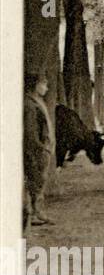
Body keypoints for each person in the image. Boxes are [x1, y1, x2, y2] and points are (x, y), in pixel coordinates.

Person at [23, 73, 55, 228]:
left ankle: (37, 211)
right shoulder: (30, 105)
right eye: (44, 84)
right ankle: (34, 213)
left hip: (43, 148)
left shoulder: (36, 102)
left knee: (39, 180)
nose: (46, 87)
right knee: (36, 180)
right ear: (35, 85)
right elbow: (30, 132)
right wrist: (40, 148)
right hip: (37, 150)